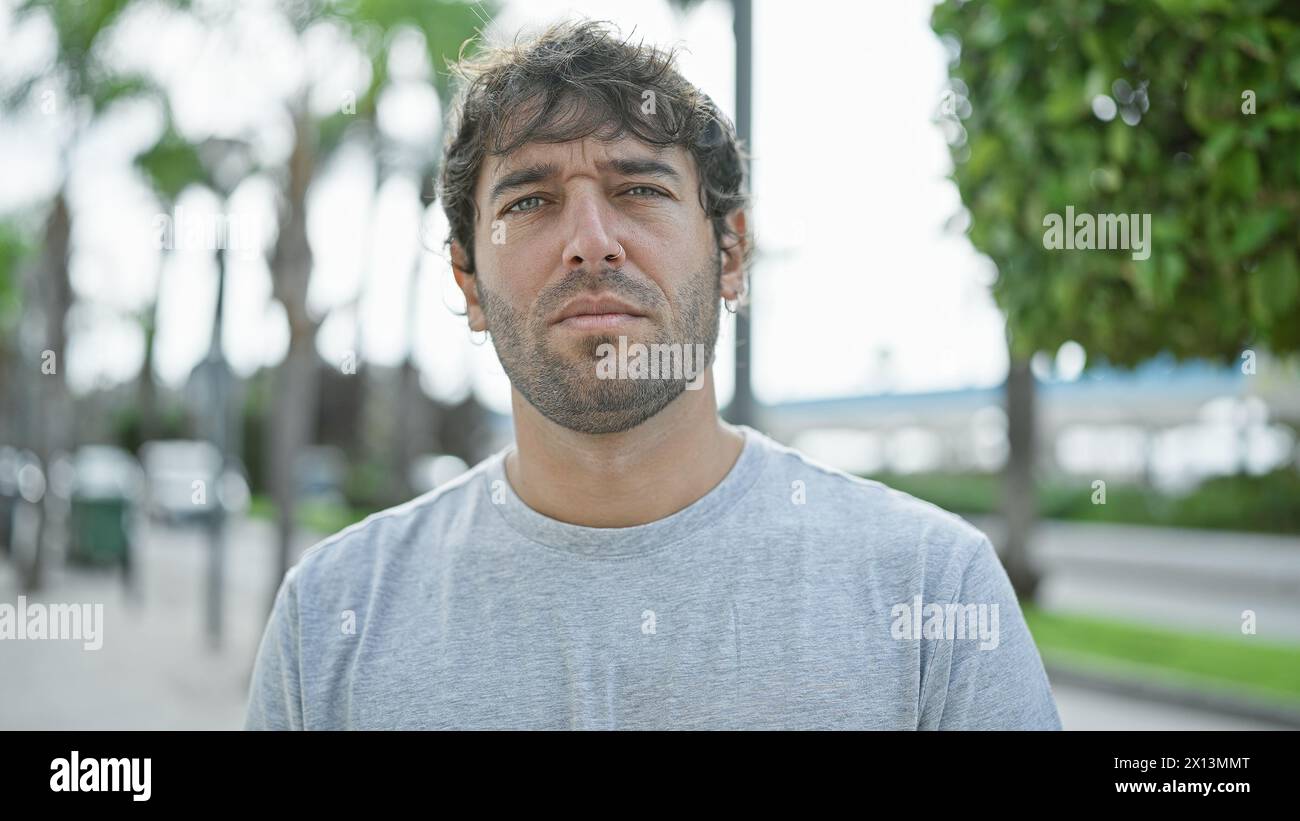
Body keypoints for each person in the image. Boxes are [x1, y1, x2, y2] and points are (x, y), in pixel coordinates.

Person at [244, 19, 1061, 730]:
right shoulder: (331, 617)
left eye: (638, 187)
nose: (591, 240)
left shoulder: (931, 588)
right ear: (468, 281)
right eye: (529, 201)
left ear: (731, 252)